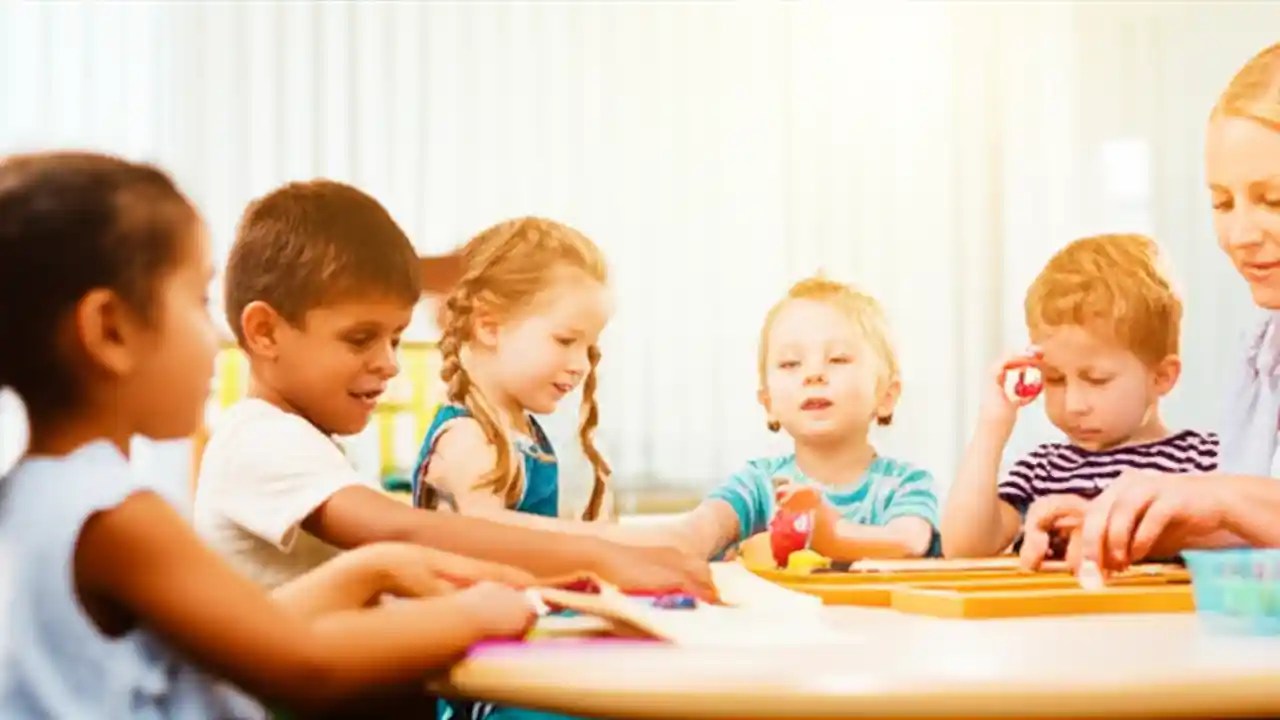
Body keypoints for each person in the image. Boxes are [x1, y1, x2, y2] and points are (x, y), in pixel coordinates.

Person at [0, 152, 542, 719]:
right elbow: (308, 665)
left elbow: (256, 623)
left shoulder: (38, 496)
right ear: (110, 330)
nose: (216, 333)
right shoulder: (117, 516)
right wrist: (481, 613)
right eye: (198, 300)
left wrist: (372, 569)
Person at [193, 182, 714, 597]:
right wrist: (602, 556)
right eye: (360, 339)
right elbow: (403, 532)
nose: (390, 364)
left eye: (396, 338)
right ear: (265, 333)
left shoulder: (303, 445)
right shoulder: (258, 441)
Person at [1021, 42, 1280, 573]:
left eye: (1273, 200)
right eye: (1222, 203)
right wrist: (1140, 526)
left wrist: (1217, 495)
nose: (1240, 234)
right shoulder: (1264, 348)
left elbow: (1241, 501)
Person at [942, 234, 1216, 559]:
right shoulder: (1042, 470)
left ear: (1161, 377)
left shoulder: (1202, 464)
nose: (1074, 405)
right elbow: (963, 549)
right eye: (1055, 379)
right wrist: (993, 424)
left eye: (1097, 380)